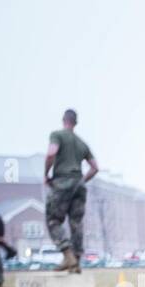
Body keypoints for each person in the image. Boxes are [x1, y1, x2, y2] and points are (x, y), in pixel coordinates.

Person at [43, 109, 98, 273]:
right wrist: (81, 181)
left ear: (63, 120)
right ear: (76, 122)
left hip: (62, 182)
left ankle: (68, 255)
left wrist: (46, 174)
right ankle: (76, 262)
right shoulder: (82, 143)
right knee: (76, 223)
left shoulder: (57, 135)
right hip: (79, 186)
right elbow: (95, 168)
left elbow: (51, 153)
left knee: (53, 220)